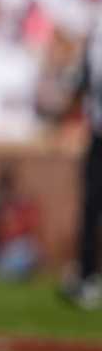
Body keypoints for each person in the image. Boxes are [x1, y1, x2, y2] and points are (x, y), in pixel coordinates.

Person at [62, 17, 102, 309]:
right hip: (98, 133)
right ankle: (87, 275)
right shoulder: (96, 27)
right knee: (91, 207)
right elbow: (86, 79)